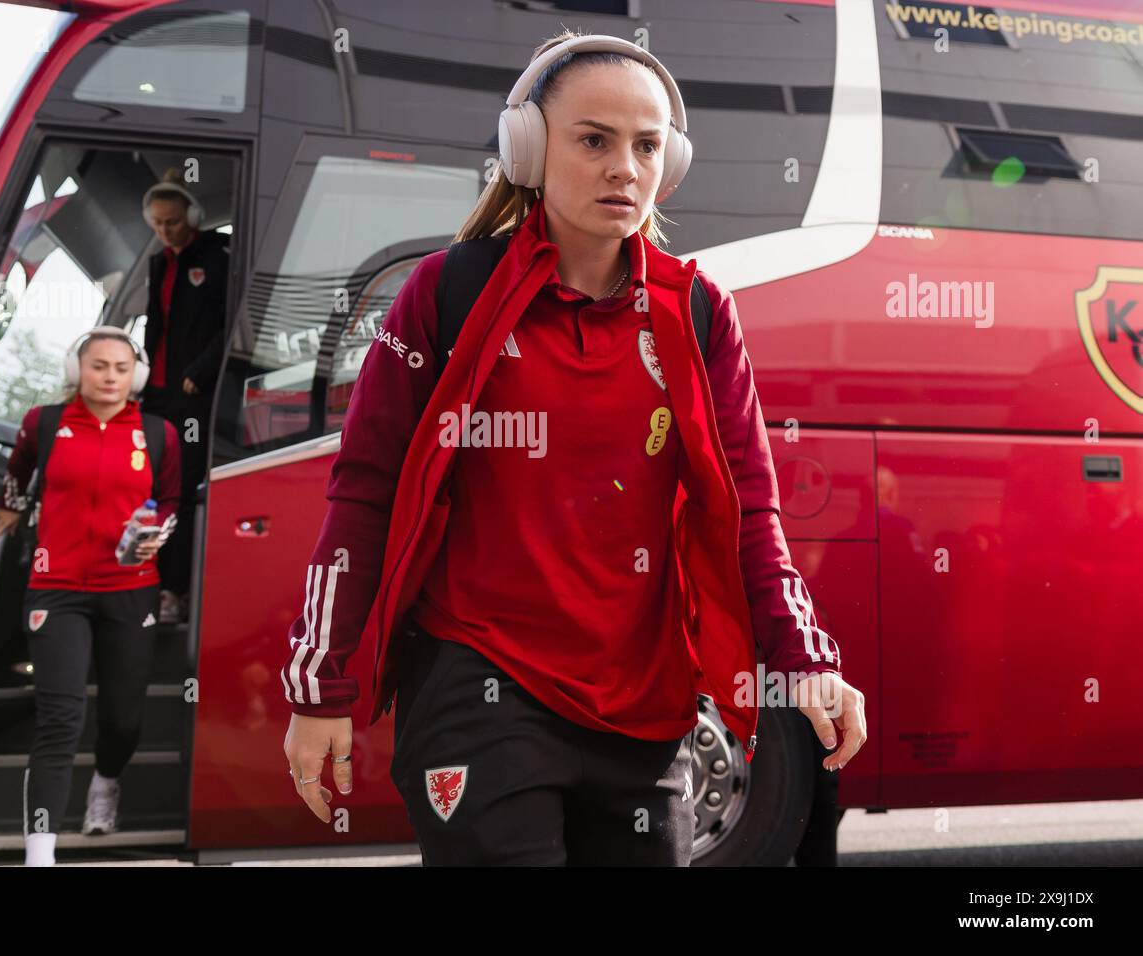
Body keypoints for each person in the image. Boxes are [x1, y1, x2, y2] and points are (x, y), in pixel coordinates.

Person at [281, 31, 868, 865]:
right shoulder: (443, 293)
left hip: (648, 707)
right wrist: (322, 688)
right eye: (593, 140)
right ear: (529, 146)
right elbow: (364, 494)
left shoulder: (702, 313)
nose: (624, 167)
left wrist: (805, 658)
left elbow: (750, 513)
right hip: (479, 695)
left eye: (646, 146)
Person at [0, 327, 181, 867]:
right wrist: (9, 507)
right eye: (99, 366)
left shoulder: (159, 433)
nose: (110, 377)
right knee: (59, 718)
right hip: (56, 589)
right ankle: (40, 853)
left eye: (121, 368)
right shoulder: (44, 424)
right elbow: (18, 471)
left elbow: (170, 501)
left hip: (130, 589)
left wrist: (156, 532)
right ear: (78, 371)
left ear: (135, 376)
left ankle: (106, 780)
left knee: (123, 718)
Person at [138, 170, 230, 625]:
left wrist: (201, 372)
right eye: (157, 223)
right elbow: (157, 327)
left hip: (193, 393)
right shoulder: (158, 263)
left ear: (192, 217)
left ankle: (175, 590)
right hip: (155, 394)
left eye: (172, 222)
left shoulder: (219, 254)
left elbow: (233, 322)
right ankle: (142, 584)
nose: (164, 231)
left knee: (183, 491)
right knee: (148, 490)